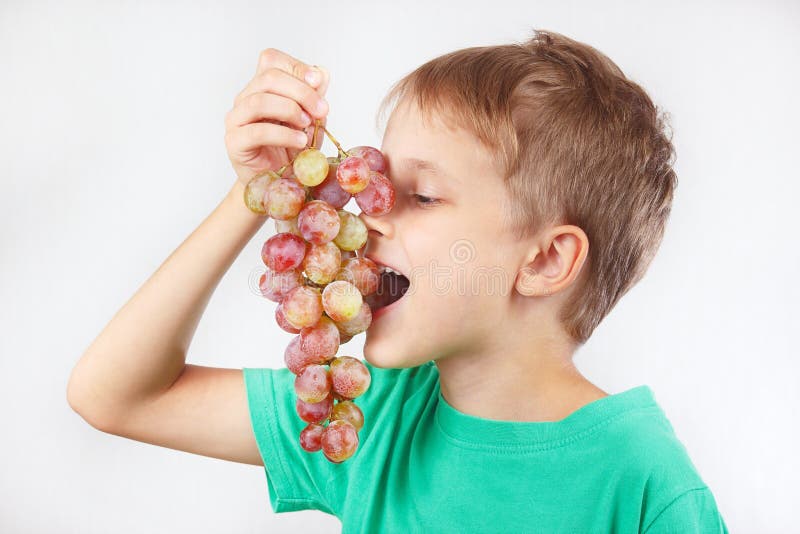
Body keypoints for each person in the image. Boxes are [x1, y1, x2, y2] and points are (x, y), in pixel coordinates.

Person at [67, 28, 729, 533]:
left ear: (545, 260)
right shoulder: (368, 419)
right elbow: (116, 396)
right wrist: (256, 190)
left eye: (421, 196)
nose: (368, 212)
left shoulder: (644, 483)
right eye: (378, 184)